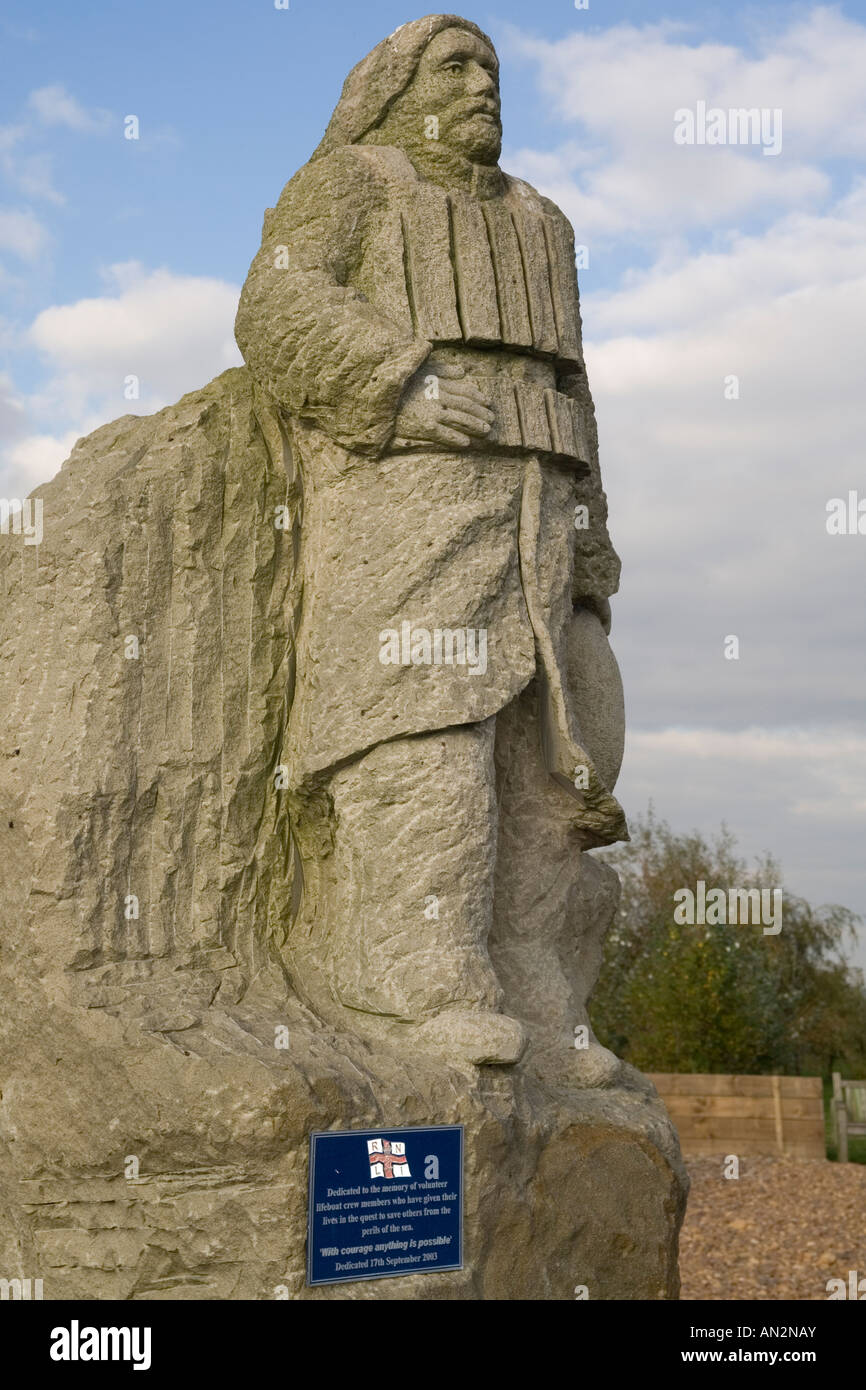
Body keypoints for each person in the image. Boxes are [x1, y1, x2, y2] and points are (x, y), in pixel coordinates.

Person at [235, 14, 628, 1076]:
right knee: (426, 736)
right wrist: (400, 383)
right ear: (396, 85)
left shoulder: (543, 220)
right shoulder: (351, 182)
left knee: (548, 773)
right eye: (455, 63)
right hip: (411, 499)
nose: (481, 81)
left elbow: (574, 394)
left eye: (492, 66)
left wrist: (590, 555)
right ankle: (420, 984)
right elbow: (273, 303)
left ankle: (541, 999)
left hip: (539, 510)